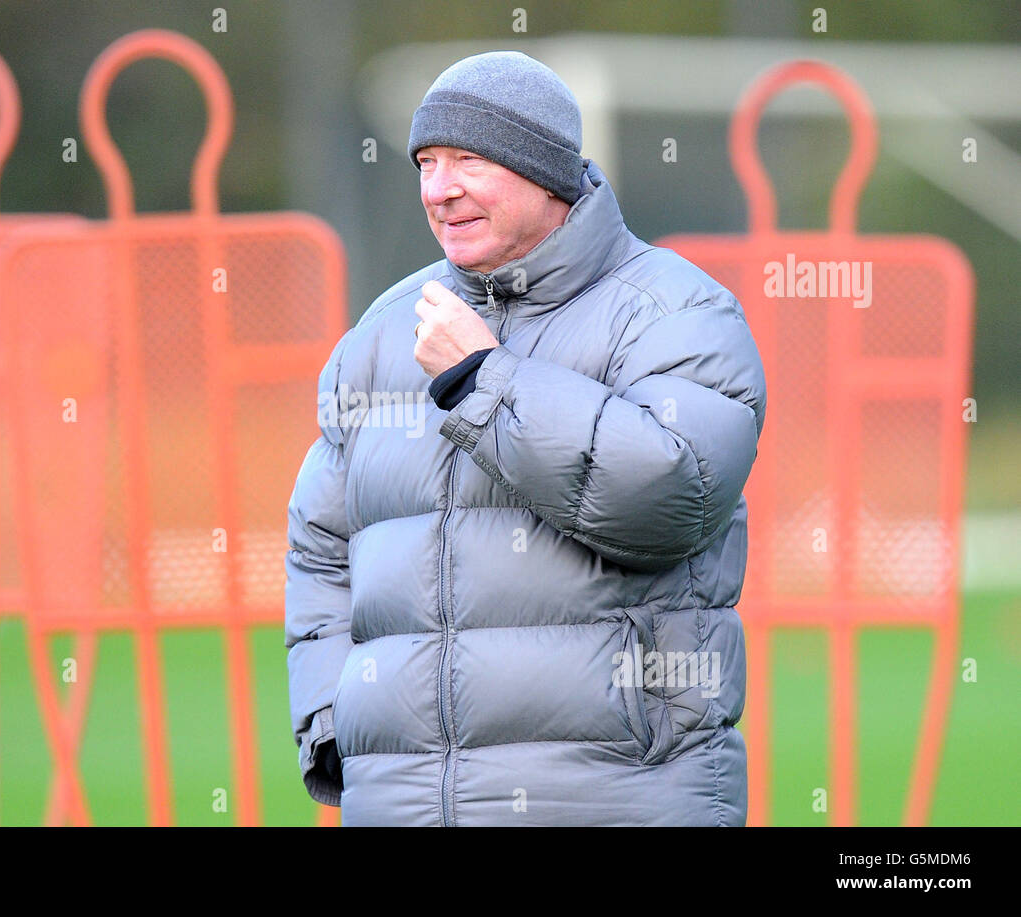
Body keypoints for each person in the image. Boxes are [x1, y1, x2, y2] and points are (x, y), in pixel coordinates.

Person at [284, 49, 766, 826]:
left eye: (469, 159)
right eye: (427, 162)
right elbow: (319, 545)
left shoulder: (677, 313)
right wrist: (335, 721)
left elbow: (668, 496)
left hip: (615, 801)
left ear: (545, 172)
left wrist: (483, 377)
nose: (440, 189)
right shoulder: (382, 332)